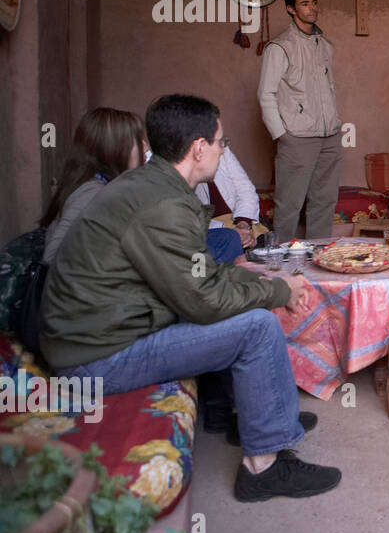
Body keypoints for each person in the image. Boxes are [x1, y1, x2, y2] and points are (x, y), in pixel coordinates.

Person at [40, 94, 340, 502]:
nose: (222, 150)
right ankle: (263, 468)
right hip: (94, 358)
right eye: (220, 142)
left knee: (238, 300)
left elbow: (197, 275)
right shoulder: (163, 203)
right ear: (199, 148)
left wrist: (261, 282)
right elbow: (202, 299)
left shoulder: (154, 185)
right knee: (258, 326)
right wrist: (278, 291)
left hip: (101, 334)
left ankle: (259, 415)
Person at [257, 0, 342, 243]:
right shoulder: (279, 47)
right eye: (304, 3)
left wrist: (335, 123)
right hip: (297, 138)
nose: (312, 8)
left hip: (329, 136)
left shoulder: (324, 44)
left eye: (314, 2)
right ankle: (281, 269)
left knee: (324, 203)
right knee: (289, 205)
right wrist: (281, 133)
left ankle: (319, 261)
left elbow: (329, 88)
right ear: (291, 9)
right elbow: (265, 94)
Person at [40, 108, 147, 265]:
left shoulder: (101, 186)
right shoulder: (93, 193)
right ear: (114, 148)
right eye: (137, 140)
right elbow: (53, 255)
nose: (145, 146)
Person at [196, 144, 262, 263]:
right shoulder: (178, 160)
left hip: (239, 221)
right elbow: (188, 218)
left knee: (270, 252)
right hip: (211, 229)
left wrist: (243, 224)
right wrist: (232, 231)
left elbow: (246, 188)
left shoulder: (221, 148)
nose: (222, 148)